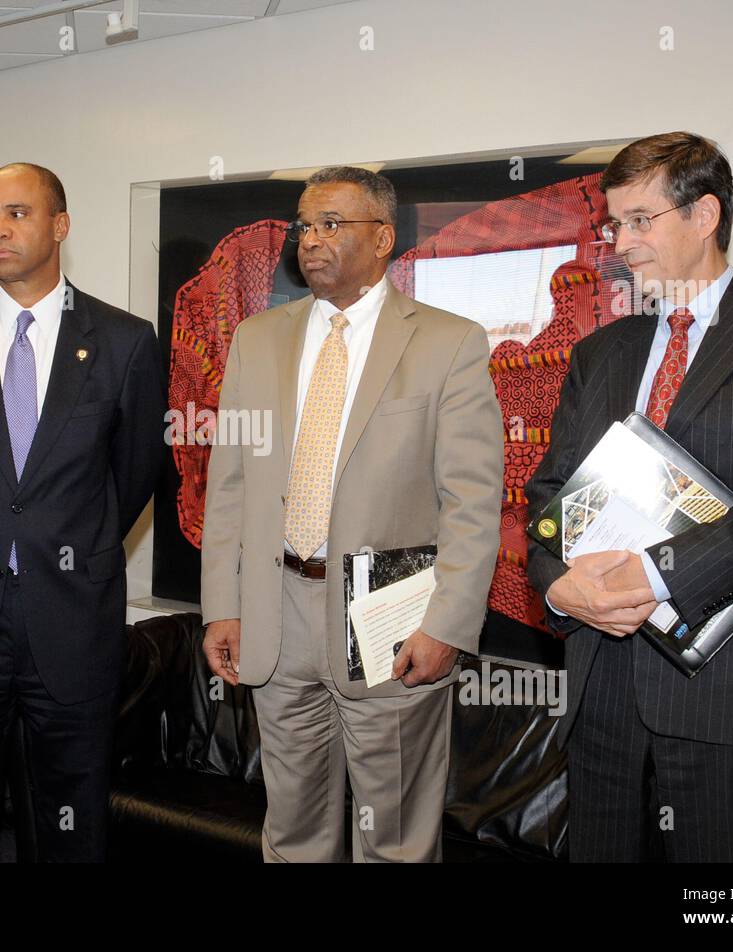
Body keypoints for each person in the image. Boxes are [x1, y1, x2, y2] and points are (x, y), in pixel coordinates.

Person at [525, 131, 733, 862]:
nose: (621, 242)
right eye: (614, 224)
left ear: (704, 216)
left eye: (640, 220)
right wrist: (561, 590)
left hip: (732, 693)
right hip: (603, 694)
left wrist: (652, 574)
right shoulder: (599, 354)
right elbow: (548, 500)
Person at [200, 166, 503, 862]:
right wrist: (224, 604)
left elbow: (472, 502)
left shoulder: (448, 342)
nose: (312, 240)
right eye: (304, 226)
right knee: (294, 834)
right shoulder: (257, 338)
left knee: (392, 841)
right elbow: (232, 486)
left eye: (332, 225)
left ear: (383, 238)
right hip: (276, 616)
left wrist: (447, 624)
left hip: (391, 620)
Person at [0, 162, 165, 861]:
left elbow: (132, 477)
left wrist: (63, 534)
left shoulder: (125, 342)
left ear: (60, 226)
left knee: (71, 815)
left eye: (16, 213)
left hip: (71, 616)